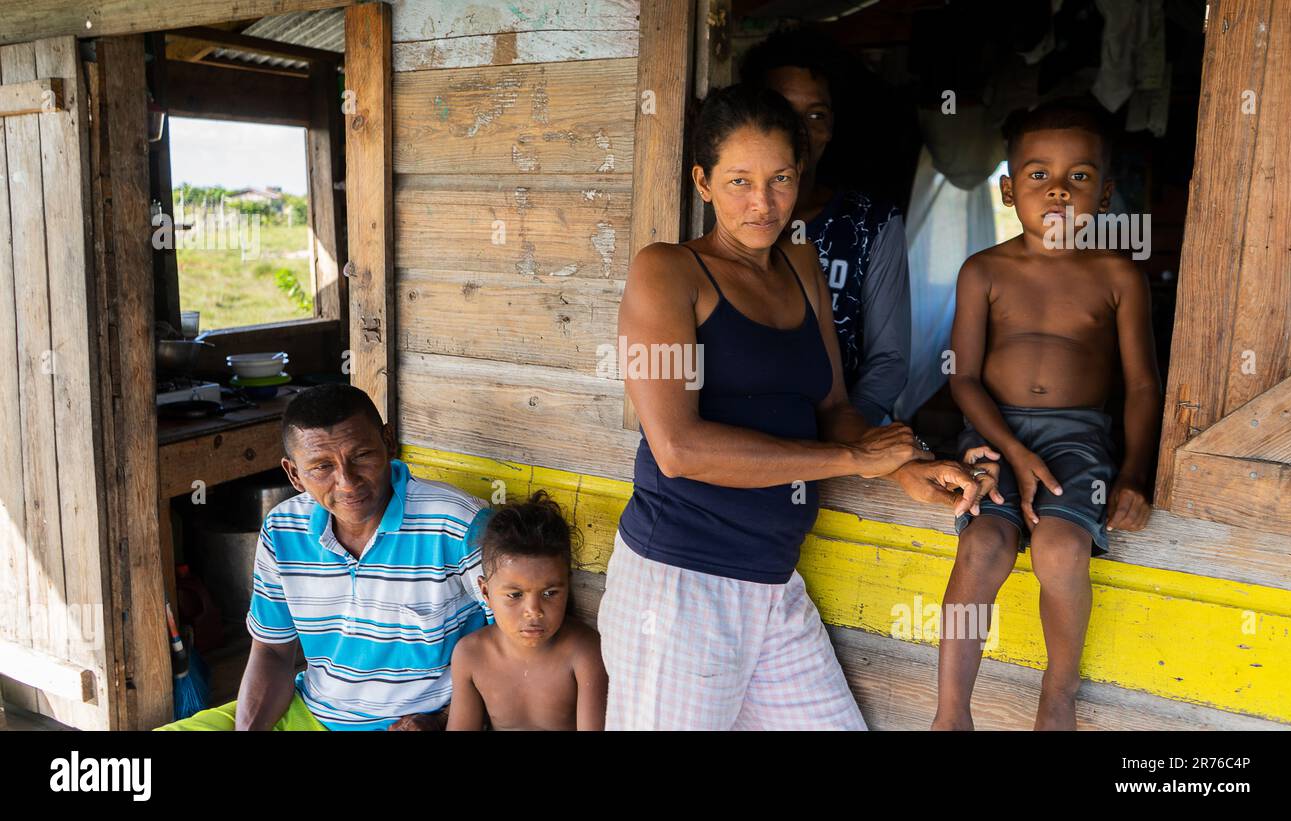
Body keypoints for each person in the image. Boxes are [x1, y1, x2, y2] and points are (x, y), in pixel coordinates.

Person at [602, 84, 995, 730]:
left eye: (781, 178)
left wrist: (902, 466)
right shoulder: (666, 274)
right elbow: (677, 448)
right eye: (738, 182)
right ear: (702, 182)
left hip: (773, 578)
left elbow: (834, 405)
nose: (763, 203)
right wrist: (852, 458)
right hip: (678, 586)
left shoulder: (801, 267)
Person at [933, 100, 1162, 731]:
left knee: (1061, 551)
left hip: (1079, 441)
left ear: (1106, 193)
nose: (1058, 189)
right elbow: (964, 376)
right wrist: (1014, 450)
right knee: (982, 546)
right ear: (1008, 190)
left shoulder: (1119, 275)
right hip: (993, 436)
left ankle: (1057, 696)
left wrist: (1136, 473)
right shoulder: (983, 271)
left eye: (1079, 177)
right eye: (1038, 175)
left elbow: (1142, 385)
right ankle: (951, 713)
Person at [157, 384, 492, 731]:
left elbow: (518, 647)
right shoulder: (282, 529)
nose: (347, 482)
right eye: (321, 467)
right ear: (294, 474)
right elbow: (272, 652)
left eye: (361, 455)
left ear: (388, 443)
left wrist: (442, 720)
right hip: (312, 712)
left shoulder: (459, 522)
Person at [742, 28, 911, 425]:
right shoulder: (727, 215)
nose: (799, 130)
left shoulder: (872, 222)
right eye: (782, 109)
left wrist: (838, 438)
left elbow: (889, 361)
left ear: (832, 127)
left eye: (816, 115)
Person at [446, 491, 607, 730]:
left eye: (550, 593)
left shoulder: (584, 652)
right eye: (515, 595)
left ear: (567, 585)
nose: (533, 611)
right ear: (486, 592)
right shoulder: (470, 655)